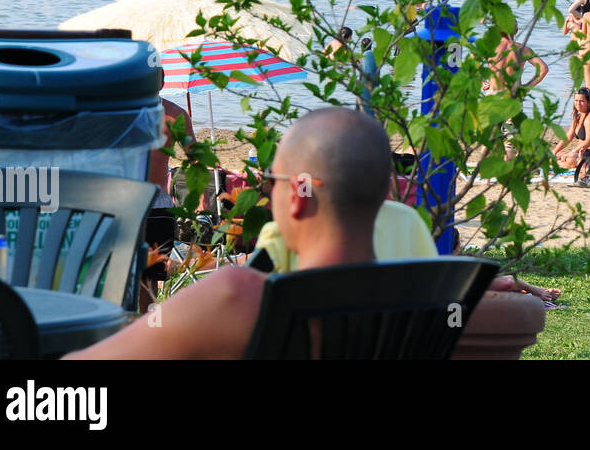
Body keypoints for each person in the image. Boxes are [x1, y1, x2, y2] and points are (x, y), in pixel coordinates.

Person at [67, 108, 421, 358]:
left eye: (272, 180)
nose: (267, 191)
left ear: (298, 195)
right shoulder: (428, 281)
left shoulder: (238, 295)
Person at [554, 86, 590, 179]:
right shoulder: (577, 117)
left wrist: (572, 152)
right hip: (581, 153)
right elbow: (568, 137)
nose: (578, 104)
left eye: (581, 101)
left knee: (569, 159)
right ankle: (556, 160)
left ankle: (558, 162)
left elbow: (589, 141)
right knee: (557, 154)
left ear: (588, 102)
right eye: (576, 100)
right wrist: (554, 151)